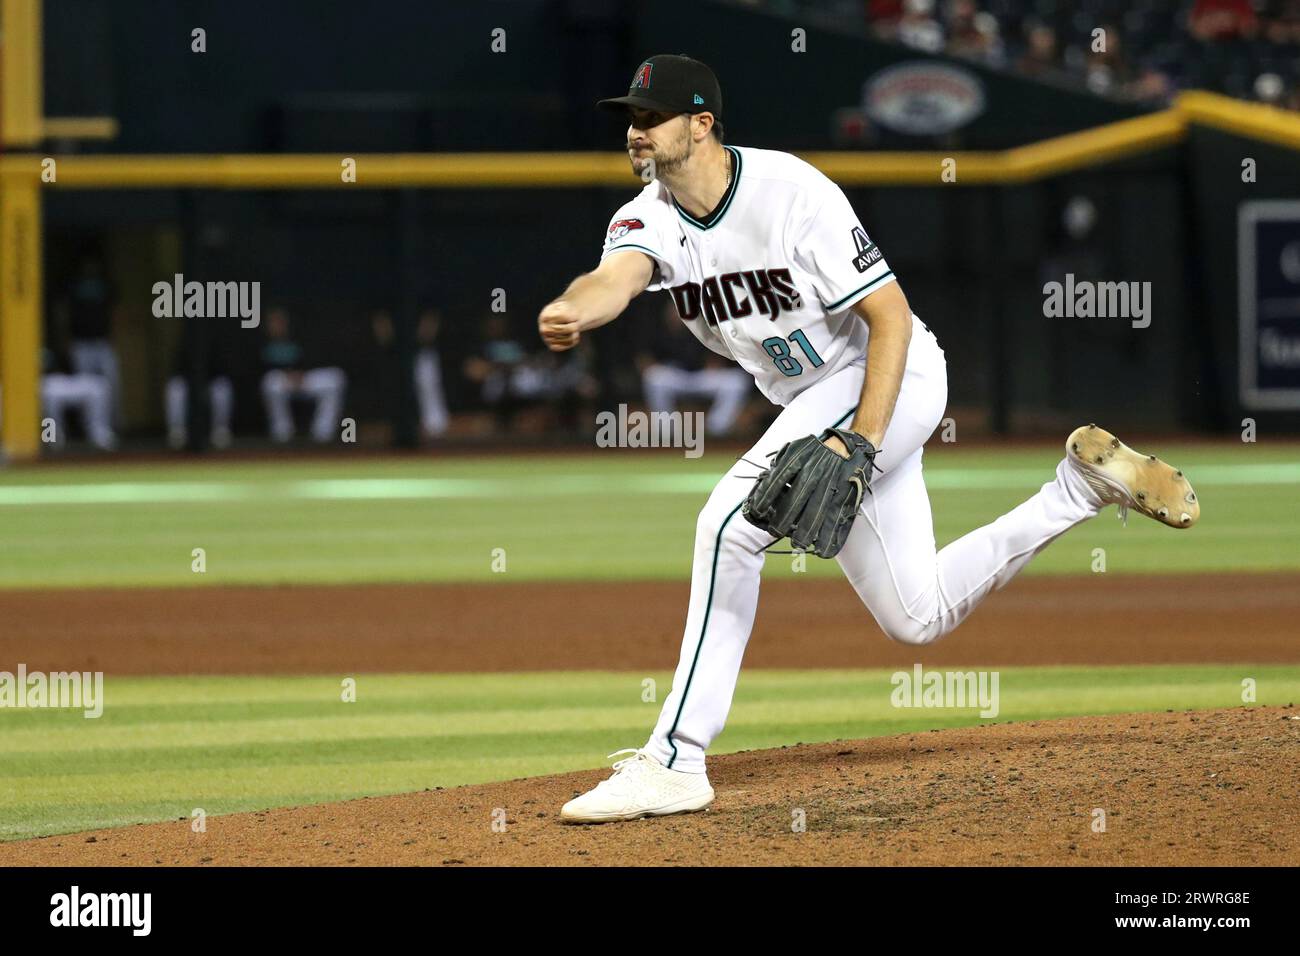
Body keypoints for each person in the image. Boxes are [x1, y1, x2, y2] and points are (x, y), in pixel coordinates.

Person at [538, 55, 1200, 823]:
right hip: (819, 401)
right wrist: (575, 307)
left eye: (652, 116)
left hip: (893, 375)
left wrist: (862, 440)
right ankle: (1079, 490)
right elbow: (615, 275)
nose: (637, 130)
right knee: (916, 615)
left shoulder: (793, 194)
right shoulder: (647, 214)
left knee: (727, 526)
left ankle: (678, 757)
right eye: (632, 117)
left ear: (702, 124)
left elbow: (888, 316)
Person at [639, 300, 753, 437]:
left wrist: (715, 364)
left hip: (702, 377)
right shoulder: (659, 332)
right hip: (675, 378)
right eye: (674, 311)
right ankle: (666, 431)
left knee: (737, 381)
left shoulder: (703, 329)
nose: (677, 315)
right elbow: (645, 360)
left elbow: (719, 355)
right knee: (654, 377)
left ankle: (716, 429)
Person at [259, 307, 346, 443]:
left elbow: (315, 357)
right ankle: (282, 434)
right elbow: (258, 371)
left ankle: (322, 435)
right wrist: (287, 374)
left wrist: (302, 372)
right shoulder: (262, 342)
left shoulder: (300, 335)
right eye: (273, 322)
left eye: (280, 321)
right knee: (270, 382)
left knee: (336, 378)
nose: (277, 325)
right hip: (282, 382)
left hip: (305, 379)